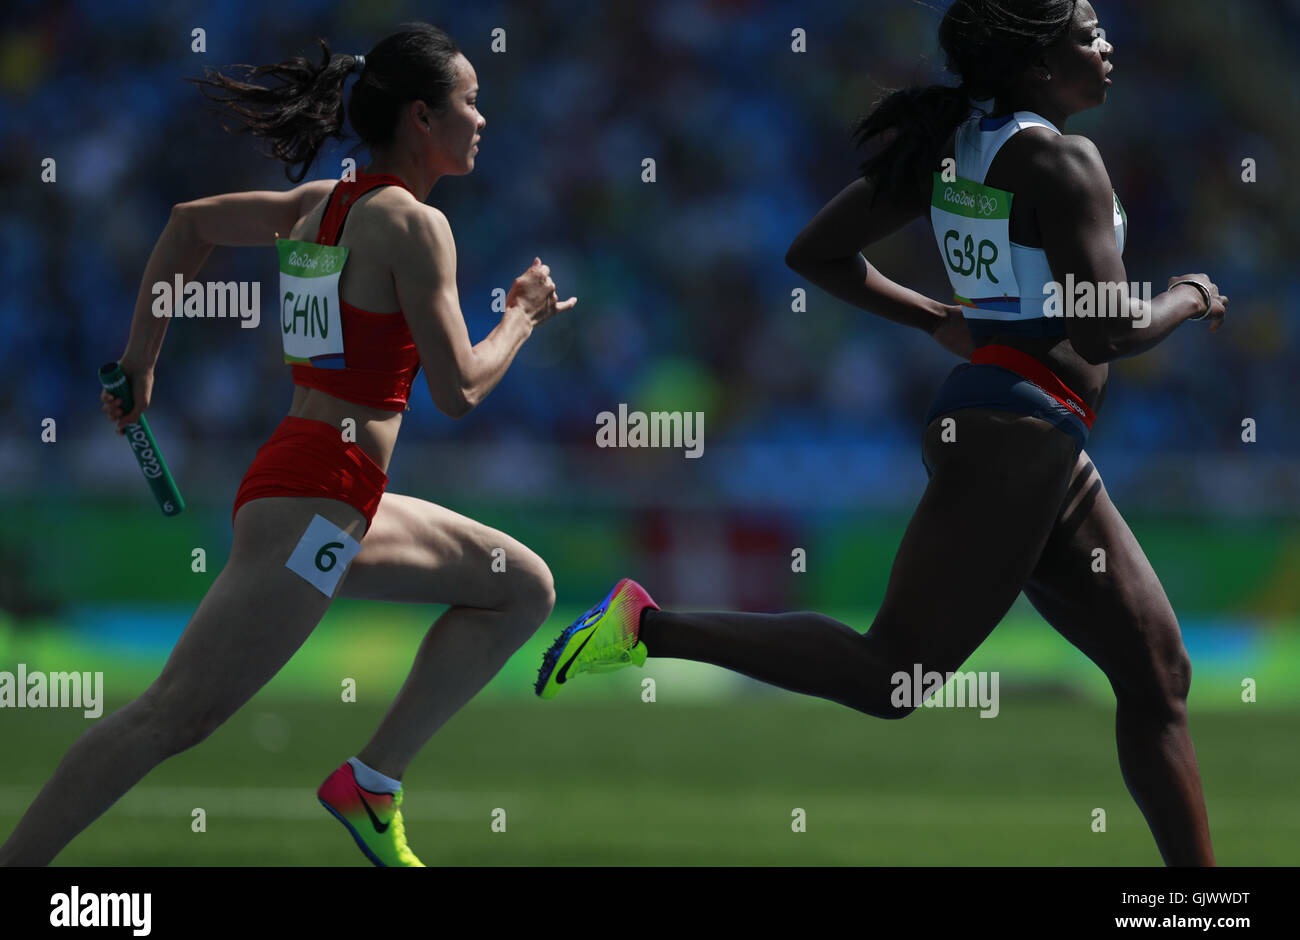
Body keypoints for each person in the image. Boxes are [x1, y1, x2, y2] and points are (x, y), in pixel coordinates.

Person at [535, 0, 1227, 867]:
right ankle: (645, 628)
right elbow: (1107, 331)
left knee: (1158, 672)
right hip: (1020, 427)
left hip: (1017, 425)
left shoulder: (959, 146)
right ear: (1039, 63)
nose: (1108, 45)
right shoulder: (1061, 158)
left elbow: (816, 254)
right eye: (1089, 33)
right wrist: (1191, 296)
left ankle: (1200, 906)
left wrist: (939, 317)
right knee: (892, 677)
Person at [0, 22, 575, 867]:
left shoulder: (320, 204)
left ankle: (373, 784)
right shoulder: (416, 228)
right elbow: (459, 391)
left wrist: (139, 362)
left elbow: (188, 225)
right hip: (317, 507)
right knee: (174, 715)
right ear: (421, 116)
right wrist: (521, 316)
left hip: (322, 489)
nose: (483, 119)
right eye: (471, 102)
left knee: (521, 586)